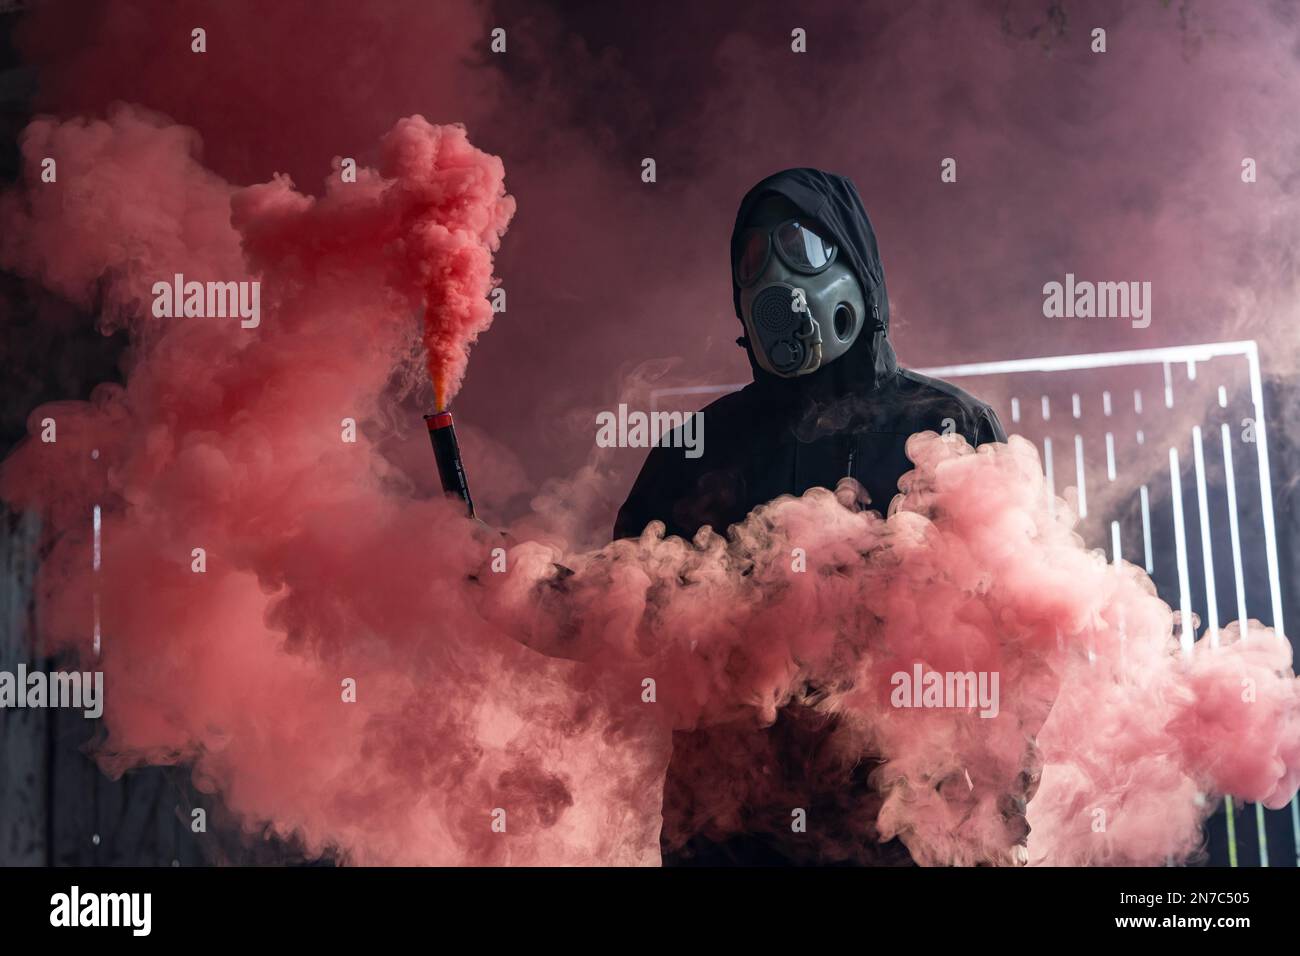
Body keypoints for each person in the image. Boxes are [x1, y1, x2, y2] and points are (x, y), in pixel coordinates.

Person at [613, 168, 1030, 865]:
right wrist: (502, 577)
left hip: (897, 829)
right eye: (752, 259)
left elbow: (1017, 637)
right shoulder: (700, 448)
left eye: (801, 246)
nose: (774, 277)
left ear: (855, 267)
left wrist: (995, 799)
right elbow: (621, 608)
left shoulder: (945, 425)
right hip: (732, 834)